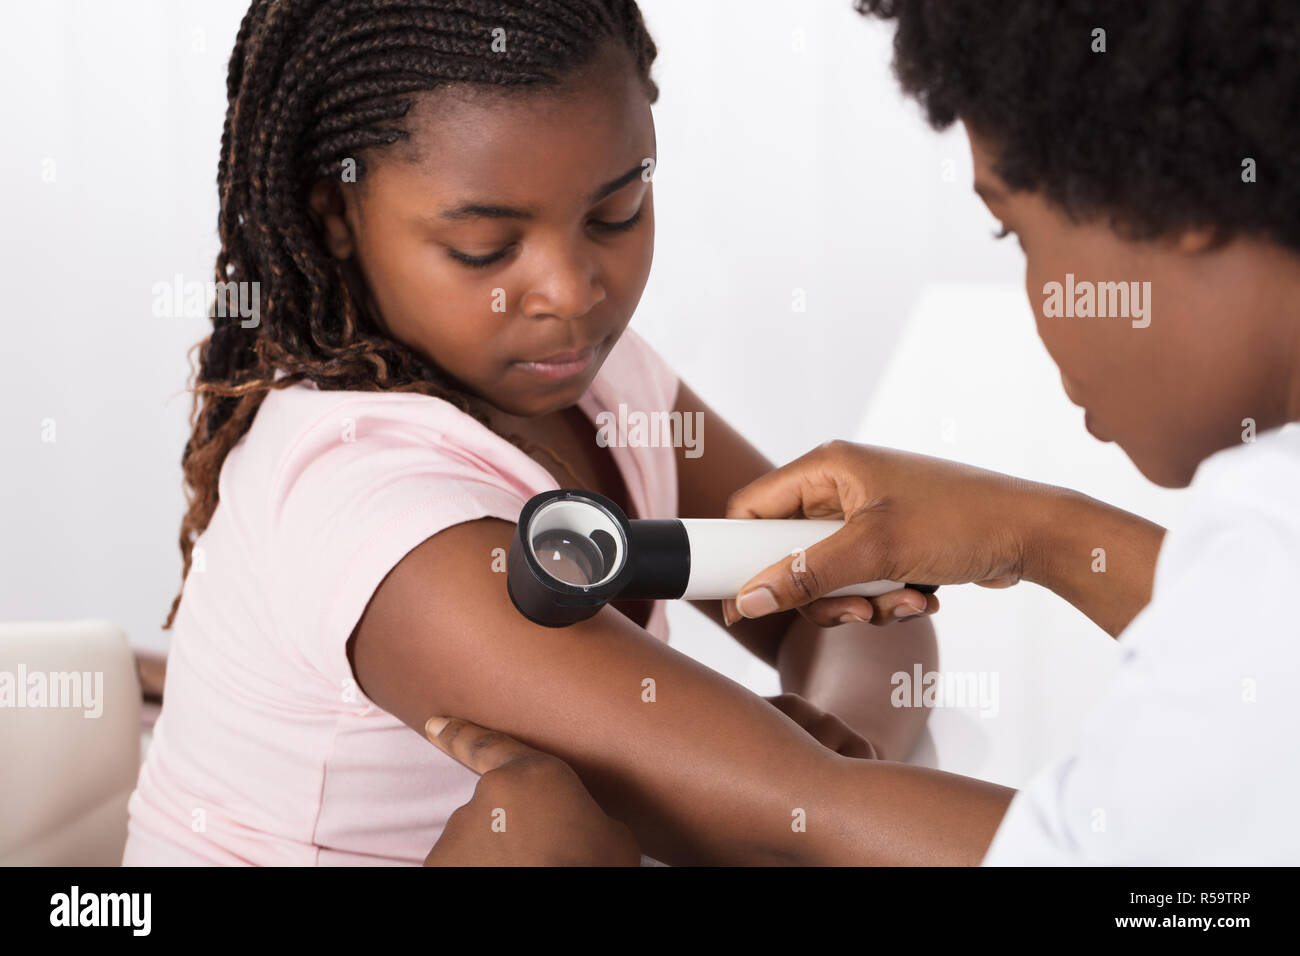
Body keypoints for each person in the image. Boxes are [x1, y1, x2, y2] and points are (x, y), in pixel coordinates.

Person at [424, 0, 1300, 864]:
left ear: (1173, 200)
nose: (571, 297)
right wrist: (1040, 534)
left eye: (1017, 231)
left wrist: (809, 788)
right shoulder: (391, 501)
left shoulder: (1265, 535)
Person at [123, 0, 942, 867]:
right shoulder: (373, 504)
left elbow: (861, 596)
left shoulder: (595, 377)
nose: (571, 290)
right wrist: (807, 793)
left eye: (616, 212)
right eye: (484, 247)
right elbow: (806, 824)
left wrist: (839, 755)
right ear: (335, 212)